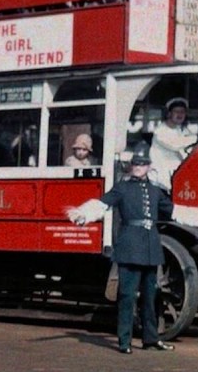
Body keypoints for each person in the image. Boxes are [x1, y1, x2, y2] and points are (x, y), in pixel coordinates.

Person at [67, 143, 176, 354]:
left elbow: (173, 210)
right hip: (129, 246)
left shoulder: (155, 191)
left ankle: (150, 339)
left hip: (150, 248)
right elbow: (103, 203)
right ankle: (124, 341)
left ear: (148, 167)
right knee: (126, 296)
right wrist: (83, 214)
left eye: (142, 164)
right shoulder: (122, 188)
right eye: (135, 164)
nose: (138, 167)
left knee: (150, 296)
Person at [149, 97, 196, 192]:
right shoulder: (160, 131)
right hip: (160, 182)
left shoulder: (184, 131)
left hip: (177, 180)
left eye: (182, 112)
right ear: (169, 113)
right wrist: (197, 139)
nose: (180, 114)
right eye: (176, 111)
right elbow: (175, 144)